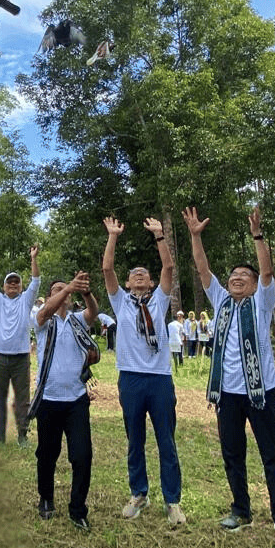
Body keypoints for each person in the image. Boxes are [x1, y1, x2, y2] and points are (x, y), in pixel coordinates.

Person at [184, 206, 275, 543]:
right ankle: (241, 510)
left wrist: (258, 235)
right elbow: (203, 269)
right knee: (232, 453)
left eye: (243, 277)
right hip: (227, 394)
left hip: (260, 391)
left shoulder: (261, 303)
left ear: (253, 285)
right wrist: (195, 236)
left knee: (272, 455)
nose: (236, 278)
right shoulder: (220, 301)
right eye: (233, 275)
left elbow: (267, 271)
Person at [102, 215, 184, 525]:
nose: (139, 275)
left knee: (166, 440)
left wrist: (160, 235)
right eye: (134, 273)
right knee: (135, 439)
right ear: (126, 283)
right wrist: (113, 236)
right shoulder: (120, 301)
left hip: (160, 379)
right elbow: (107, 269)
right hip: (131, 378)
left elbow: (169, 269)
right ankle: (139, 493)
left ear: (150, 283)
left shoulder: (159, 300)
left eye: (144, 274)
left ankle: (172, 500)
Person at [30, 272, 99, 530]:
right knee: (47, 454)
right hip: (48, 399)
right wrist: (68, 286)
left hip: (76, 400)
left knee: (82, 455)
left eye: (67, 290)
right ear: (50, 296)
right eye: (58, 289)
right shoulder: (42, 319)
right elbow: (43, 313)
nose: (64, 293)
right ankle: (46, 498)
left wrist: (85, 292)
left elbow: (93, 311)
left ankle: (78, 508)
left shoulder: (77, 321)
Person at [0, 241, 40, 445]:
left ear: (21, 286)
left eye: (16, 283)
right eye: (9, 283)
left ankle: (22, 433)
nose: (13, 285)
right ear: (4, 286)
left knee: (23, 398)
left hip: (21, 357)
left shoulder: (26, 300)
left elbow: (36, 281)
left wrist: (33, 259)